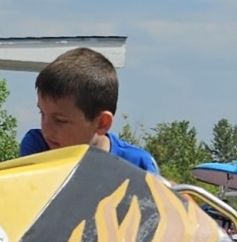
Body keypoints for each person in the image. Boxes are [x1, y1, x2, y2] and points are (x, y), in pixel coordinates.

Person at [17, 48, 158, 173]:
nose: (46, 130)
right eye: (42, 114)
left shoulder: (137, 165)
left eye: (60, 120)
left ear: (101, 123)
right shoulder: (38, 146)